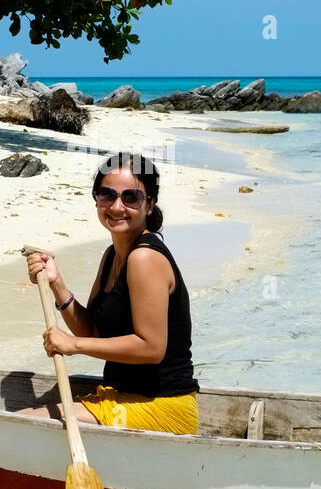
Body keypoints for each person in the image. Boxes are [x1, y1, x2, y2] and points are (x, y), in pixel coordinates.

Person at [19, 151, 199, 434]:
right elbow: (91, 332)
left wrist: (72, 345)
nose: (117, 206)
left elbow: (151, 348)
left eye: (131, 197)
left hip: (162, 407)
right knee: (26, 421)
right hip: (123, 397)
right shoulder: (112, 256)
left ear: (149, 205)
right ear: (97, 199)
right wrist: (56, 283)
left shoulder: (145, 258)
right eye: (107, 195)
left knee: (25, 426)